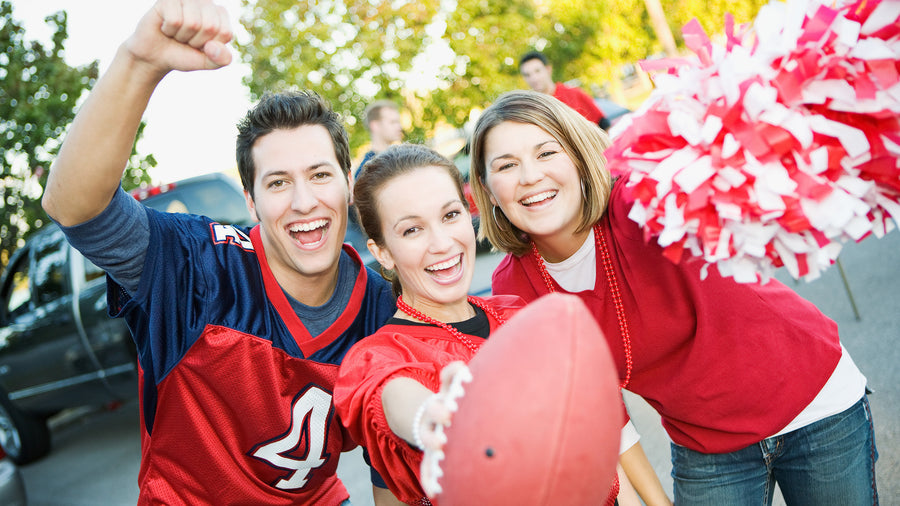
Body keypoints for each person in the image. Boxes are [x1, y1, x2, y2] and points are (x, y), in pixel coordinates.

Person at [41, 1, 401, 504]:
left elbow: (392, 471)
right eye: (278, 182)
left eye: (320, 174)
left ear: (347, 182)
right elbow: (74, 208)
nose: (304, 201)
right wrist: (139, 63)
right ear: (250, 201)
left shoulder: (384, 305)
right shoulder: (197, 266)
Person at [469, 90, 879, 505]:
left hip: (815, 406)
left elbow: (715, 163)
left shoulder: (640, 202)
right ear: (485, 188)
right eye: (506, 165)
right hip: (706, 446)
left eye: (546, 153)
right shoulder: (514, 290)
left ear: (577, 156)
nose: (530, 176)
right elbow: (590, 407)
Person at [333, 143, 663, 505]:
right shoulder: (382, 356)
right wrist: (432, 419)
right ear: (382, 252)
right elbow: (390, 395)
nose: (442, 243)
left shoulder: (520, 315)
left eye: (450, 216)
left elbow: (600, 438)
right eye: (412, 230)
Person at [519, 50, 611, 131]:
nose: (534, 78)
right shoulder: (531, 109)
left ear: (548, 69)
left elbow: (604, 125)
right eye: (527, 75)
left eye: (537, 71)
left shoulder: (574, 93)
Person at [354, 100, 404, 180]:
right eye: (393, 122)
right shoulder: (366, 170)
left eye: (398, 122)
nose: (399, 127)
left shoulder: (402, 160)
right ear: (375, 125)